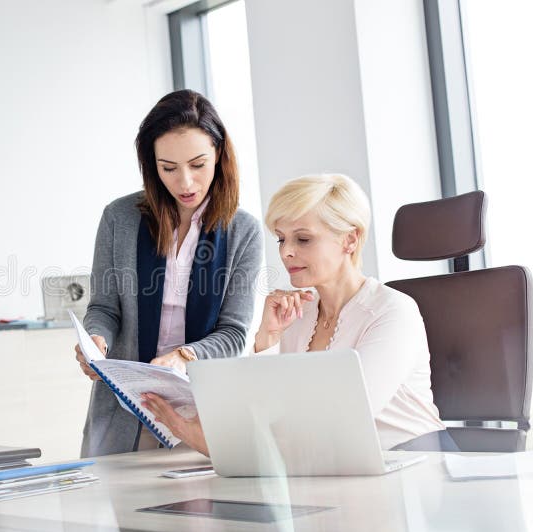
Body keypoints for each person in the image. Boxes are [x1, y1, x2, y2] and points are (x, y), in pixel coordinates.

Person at [143, 173, 456, 455]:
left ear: (350, 239)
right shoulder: (299, 315)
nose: (286, 252)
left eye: (303, 239)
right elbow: (267, 412)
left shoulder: (392, 311)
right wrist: (268, 339)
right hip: (339, 472)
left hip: (415, 467)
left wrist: (225, 440)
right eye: (281, 238)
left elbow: (342, 420)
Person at [76, 90, 263, 457]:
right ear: (152, 164)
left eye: (198, 165)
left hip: (199, 421)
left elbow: (233, 334)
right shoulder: (120, 218)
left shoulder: (243, 231)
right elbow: (104, 308)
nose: (185, 183)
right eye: (169, 168)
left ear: (219, 156)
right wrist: (96, 339)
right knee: (114, 513)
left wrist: (183, 357)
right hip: (122, 415)